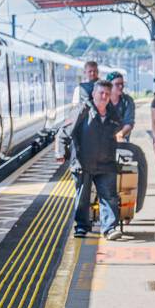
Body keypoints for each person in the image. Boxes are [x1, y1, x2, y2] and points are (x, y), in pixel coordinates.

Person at [59, 79, 123, 240]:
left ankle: (109, 228)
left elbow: (119, 127)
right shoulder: (82, 110)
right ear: (94, 93)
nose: (104, 96)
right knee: (82, 198)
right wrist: (60, 152)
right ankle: (81, 227)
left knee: (109, 196)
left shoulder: (112, 112)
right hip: (83, 163)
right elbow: (64, 132)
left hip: (106, 163)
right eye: (101, 93)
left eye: (107, 94)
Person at [106, 71, 135, 142]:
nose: (121, 86)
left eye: (122, 84)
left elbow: (129, 123)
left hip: (121, 138)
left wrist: (120, 135)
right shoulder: (104, 100)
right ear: (109, 85)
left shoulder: (127, 101)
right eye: (117, 84)